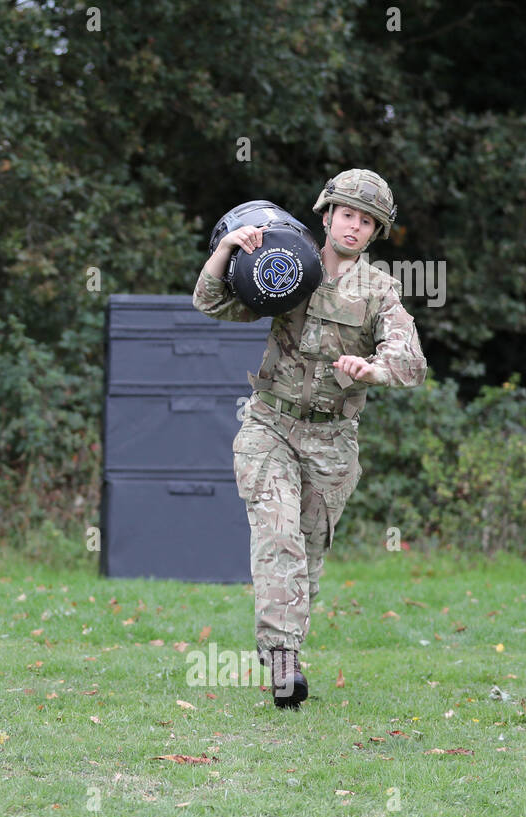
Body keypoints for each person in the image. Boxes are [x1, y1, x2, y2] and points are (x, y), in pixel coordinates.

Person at [192, 169, 427, 709]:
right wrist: (228, 249)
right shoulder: (290, 263)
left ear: (374, 234)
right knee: (278, 538)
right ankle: (280, 663)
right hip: (270, 426)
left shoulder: (379, 292)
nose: (353, 226)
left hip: (332, 443)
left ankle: (289, 649)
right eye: (346, 214)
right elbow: (212, 302)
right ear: (326, 215)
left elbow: (410, 361)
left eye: (366, 221)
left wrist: (373, 369)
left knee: (307, 561)